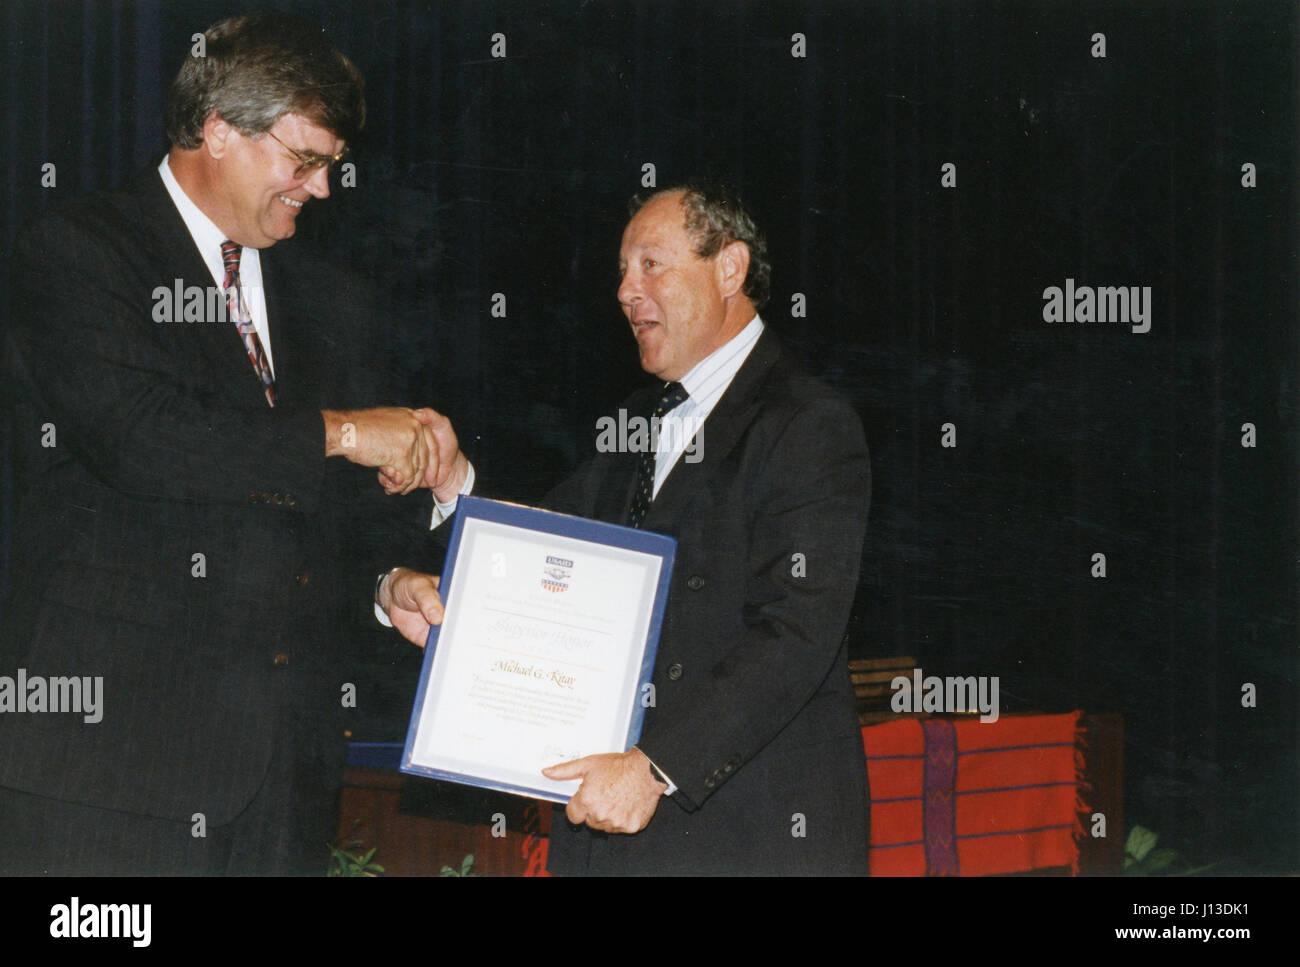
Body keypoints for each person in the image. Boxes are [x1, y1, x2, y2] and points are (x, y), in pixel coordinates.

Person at [0, 13, 467, 875]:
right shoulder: (78, 251)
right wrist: (348, 431)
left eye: (331, 164)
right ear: (218, 131)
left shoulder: (332, 301)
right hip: (106, 777)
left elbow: (328, 509)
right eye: (305, 160)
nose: (322, 190)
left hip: (279, 796)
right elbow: (144, 441)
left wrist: (384, 582)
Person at [383, 183, 871, 874]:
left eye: (650, 263)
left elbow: (797, 632)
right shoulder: (641, 419)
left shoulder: (807, 422)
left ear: (729, 269)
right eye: (620, 269)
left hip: (750, 837)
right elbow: (551, 550)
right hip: (615, 837)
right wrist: (452, 480)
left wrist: (655, 768)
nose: (624, 289)